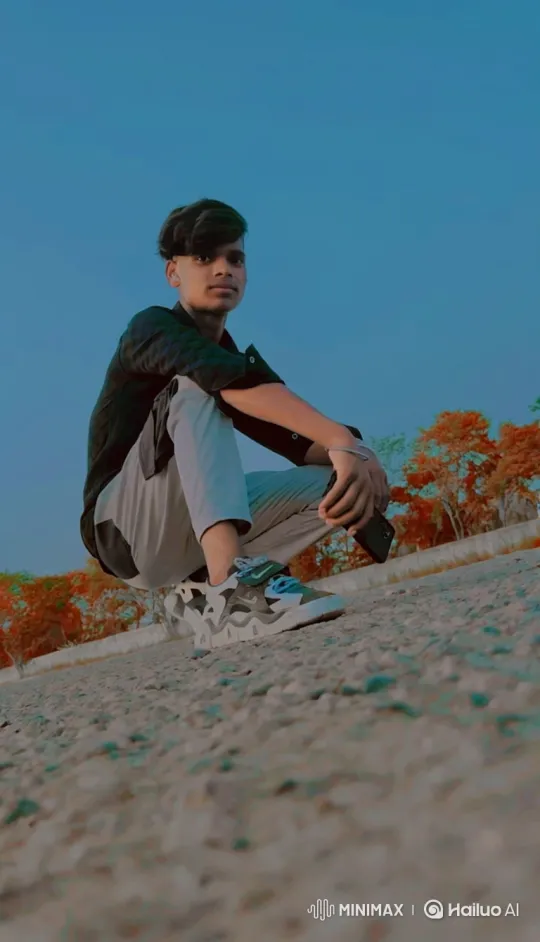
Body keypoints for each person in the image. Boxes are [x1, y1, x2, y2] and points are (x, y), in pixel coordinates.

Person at [81, 199, 389, 650]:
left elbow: (293, 437)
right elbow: (222, 382)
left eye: (235, 258)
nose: (224, 269)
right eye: (205, 257)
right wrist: (340, 438)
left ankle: (205, 587)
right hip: (122, 530)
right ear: (174, 273)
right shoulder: (150, 329)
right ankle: (232, 594)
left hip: (183, 529)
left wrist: (358, 454)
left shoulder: (231, 359)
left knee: (334, 479)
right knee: (194, 387)